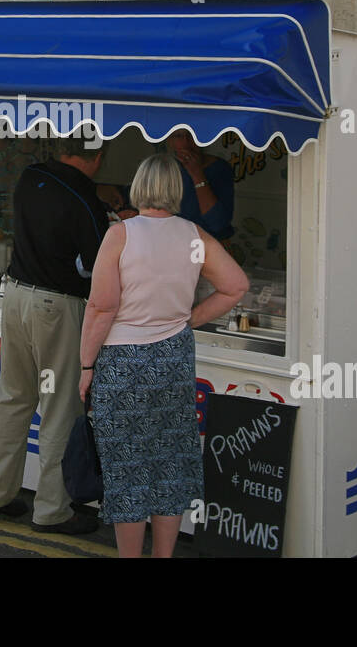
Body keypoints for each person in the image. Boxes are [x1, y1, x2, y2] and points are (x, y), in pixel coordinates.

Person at [79, 153, 248, 557]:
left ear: (139, 188)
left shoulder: (121, 235)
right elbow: (236, 286)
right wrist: (190, 319)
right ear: (176, 191)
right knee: (169, 462)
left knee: (129, 468)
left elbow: (101, 308)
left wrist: (86, 366)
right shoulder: (195, 235)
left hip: (123, 363)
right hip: (173, 358)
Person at [0, 136, 112, 534]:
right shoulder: (85, 200)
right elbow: (97, 265)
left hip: (15, 295)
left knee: (14, 398)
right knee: (60, 408)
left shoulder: (30, 176)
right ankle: (52, 510)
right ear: (99, 157)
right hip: (57, 307)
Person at [166, 128, 235, 240]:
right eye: (178, 136)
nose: (186, 142)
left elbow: (217, 223)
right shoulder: (166, 169)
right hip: (177, 244)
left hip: (212, 246)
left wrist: (197, 175)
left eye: (192, 134)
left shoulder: (220, 168)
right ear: (170, 141)